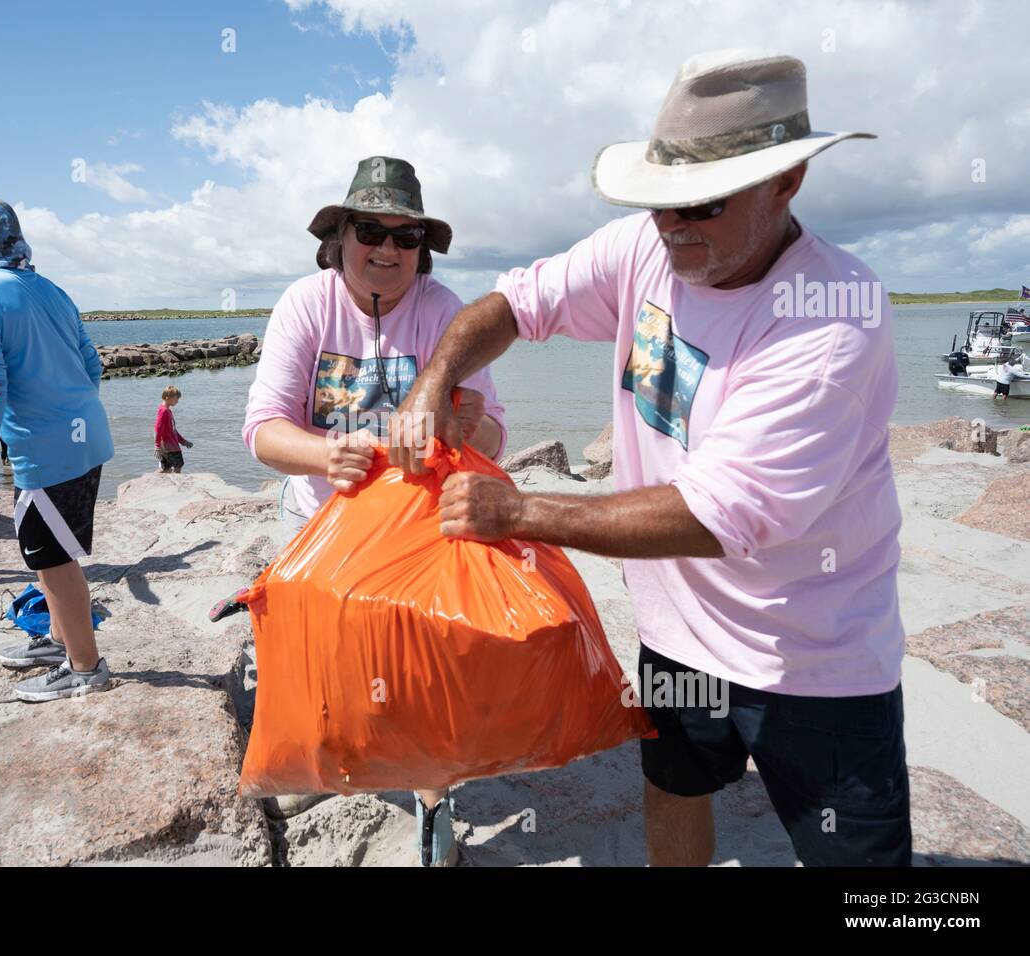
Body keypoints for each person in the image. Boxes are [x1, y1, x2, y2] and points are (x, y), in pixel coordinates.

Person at [390, 50, 910, 867]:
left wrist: (519, 511)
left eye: (700, 205)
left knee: (860, 864)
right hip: (674, 632)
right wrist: (436, 376)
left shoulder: (831, 320)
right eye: (661, 202)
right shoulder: (647, 247)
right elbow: (515, 304)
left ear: (787, 184)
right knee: (673, 784)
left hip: (812, 658)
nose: (674, 226)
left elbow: (722, 512)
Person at [242, 156, 507, 866]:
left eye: (407, 235)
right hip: (320, 518)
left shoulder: (446, 311)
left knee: (424, 672)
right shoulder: (305, 303)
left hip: (417, 531)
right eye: (371, 230)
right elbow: (263, 429)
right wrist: (328, 454)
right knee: (321, 660)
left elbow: (496, 435)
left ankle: (431, 801)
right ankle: (321, 768)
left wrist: (468, 421)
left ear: (423, 247)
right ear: (340, 237)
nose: (388, 249)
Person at [0, 196, 114, 701]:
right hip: (88, 435)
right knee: (51, 551)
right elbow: (92, 364)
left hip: (45, 451)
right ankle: (57, 640)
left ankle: (86, 668)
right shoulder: (53, 290)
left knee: (53, 558)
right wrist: (70, 411)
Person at [153, 386, 193, 473]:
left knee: (166, 468)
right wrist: (157, 445)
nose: (177, 401)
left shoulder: (166, 410)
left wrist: (183, 441)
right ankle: (176, 484)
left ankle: (156, 480)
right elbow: (157, 429)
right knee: (178, 465)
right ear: (168, 397)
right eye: (176, 399)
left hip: (167, 446)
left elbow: (173, 430)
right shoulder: (164, 411)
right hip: (170, 447)